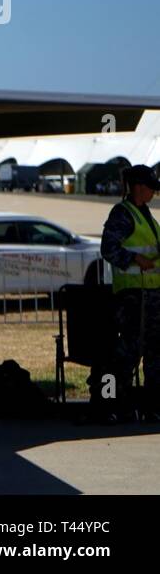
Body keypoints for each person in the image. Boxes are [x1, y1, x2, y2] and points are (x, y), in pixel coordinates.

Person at [98, 164, 160, 422]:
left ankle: (152, 406)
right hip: (133, 297)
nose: (154, 194)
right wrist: (136, 259)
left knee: (155, 353)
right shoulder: (123, 214)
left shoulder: (145, 214)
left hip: (152, 295)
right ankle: (110, 403)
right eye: (151, 189)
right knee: (127, 354)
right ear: (138, 187)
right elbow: (108, 249)